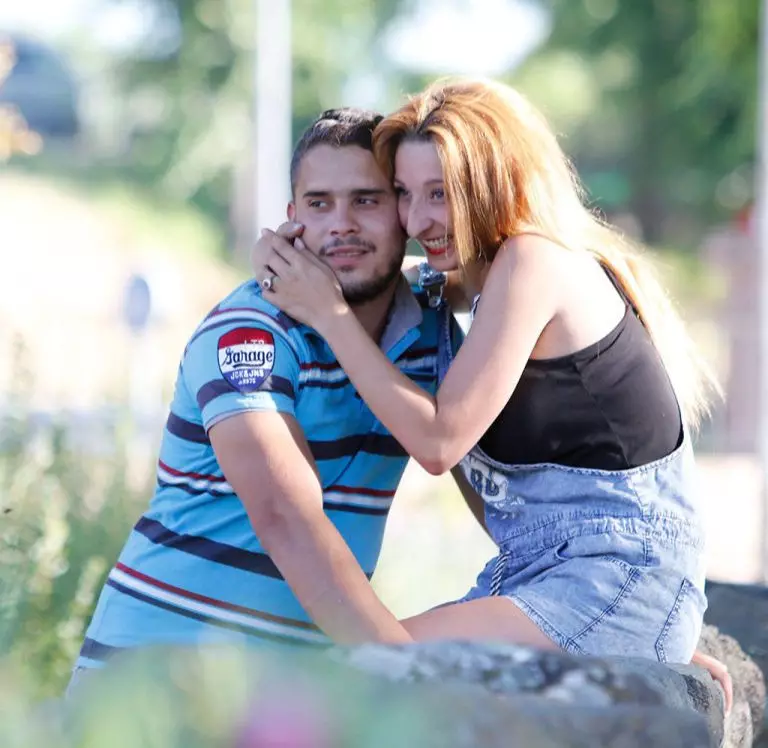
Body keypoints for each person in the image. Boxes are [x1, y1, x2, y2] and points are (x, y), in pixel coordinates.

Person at [252, 78, 724, 673]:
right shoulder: (477, 280)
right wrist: (280, 259)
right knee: (378, 677)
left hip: (615, 577)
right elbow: (380, 283)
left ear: (495, 184)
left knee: (366, 672)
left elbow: (439, 441)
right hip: (549, 575)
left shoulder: (536, 261)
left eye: (441, 193)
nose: (419, 220)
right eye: (402, 193)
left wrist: (328, 310)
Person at [68, 108, 475, 687]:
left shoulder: (427, 332)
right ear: (291, 220)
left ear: (404, 213)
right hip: (152, 679)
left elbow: (490, 479)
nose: (341, 225)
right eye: (318, 203)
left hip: (281, 694)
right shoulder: (248, 334)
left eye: (366, 200)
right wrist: (407, 675)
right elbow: (287, 519)